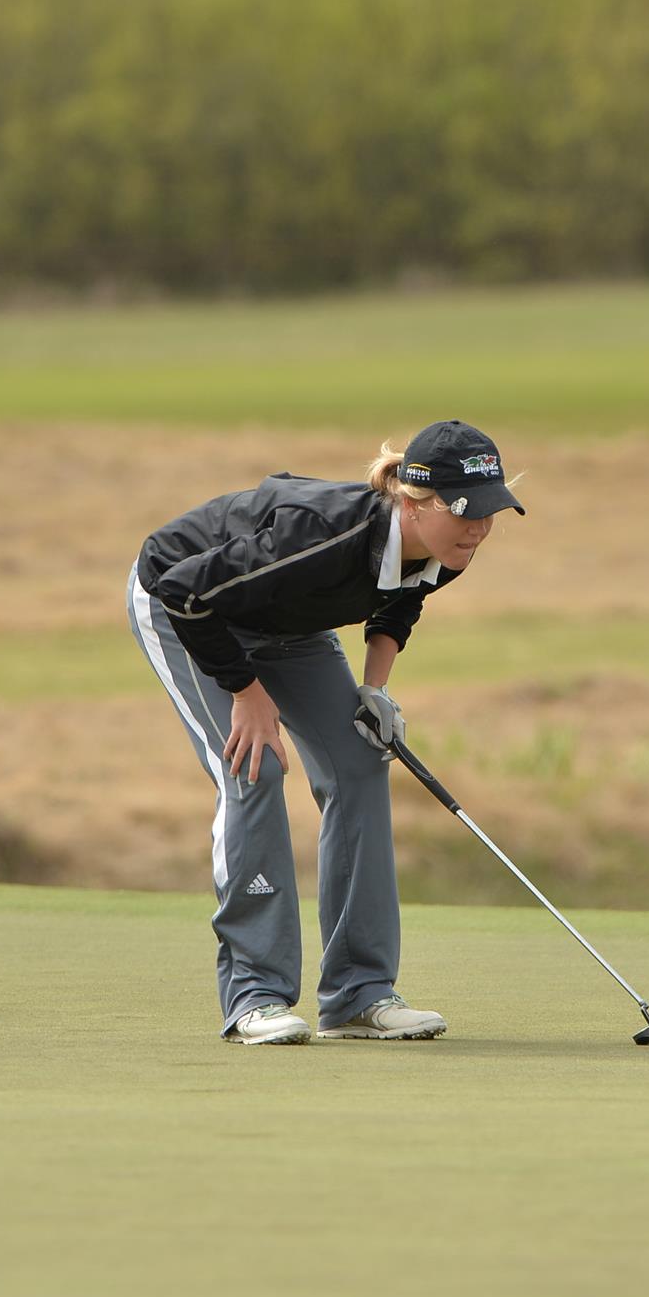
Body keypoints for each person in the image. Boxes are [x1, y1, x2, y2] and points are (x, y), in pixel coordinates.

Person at [127, 419, 525, 1045]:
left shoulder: (450, 549)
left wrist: (375, 688)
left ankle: (359, 995)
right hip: (187, 610)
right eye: (465, 513)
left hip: (287, 623)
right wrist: (246, 694)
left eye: (490, 513)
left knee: (361, 762)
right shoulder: (321, 535)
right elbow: (186, 592)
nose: (478, 529)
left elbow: (400, 601)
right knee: (254, 767)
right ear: (416, 503)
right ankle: (254, 996)